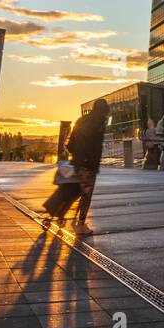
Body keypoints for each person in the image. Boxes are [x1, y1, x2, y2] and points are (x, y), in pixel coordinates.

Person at [56, 98, 109, 235]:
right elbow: (95, 146)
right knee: (86, 194)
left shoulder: (81, 120)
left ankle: (63, 215)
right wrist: (89, 159)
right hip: (88, 165)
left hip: (77, 162)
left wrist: (78, 156)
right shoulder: (98, 123)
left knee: (74, 191)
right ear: (103, 111)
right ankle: (80, 224)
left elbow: (70, 144)